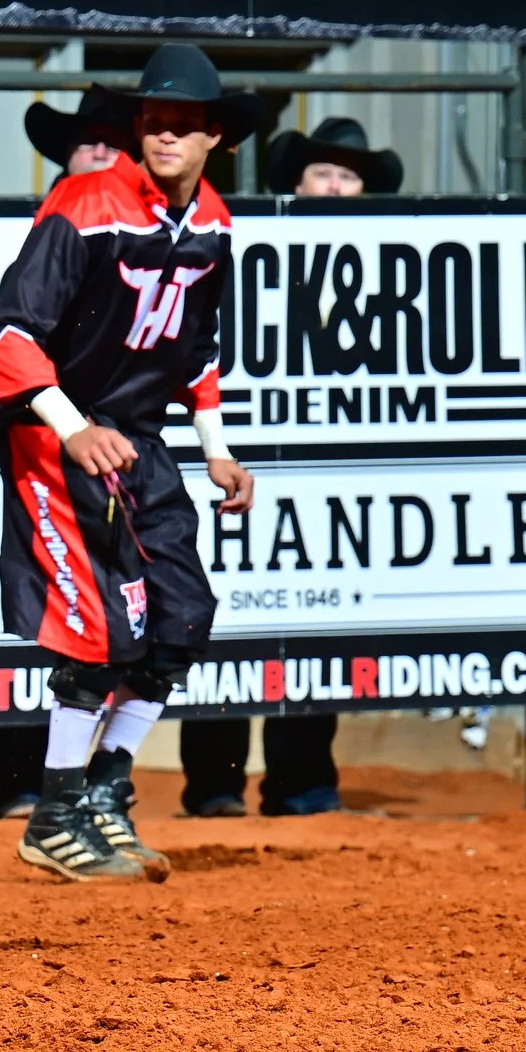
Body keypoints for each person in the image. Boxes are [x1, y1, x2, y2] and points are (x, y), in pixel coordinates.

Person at [0, 44, 266, 881]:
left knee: (182, 612)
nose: (165, 134)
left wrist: (217, 450)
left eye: (183, 123)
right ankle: (54, 812)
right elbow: (9, 338)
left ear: (215, 134)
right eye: (153, 121)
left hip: (137, 438)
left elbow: (197, 349)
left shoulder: (212, 222)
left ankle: (104, 790)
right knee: (100, 630)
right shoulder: (84, 203)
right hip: (55, 430)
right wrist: (72, 428)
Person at [178, 115, 403, 818]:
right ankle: (215, 783)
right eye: (323, 172)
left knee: (321, 618)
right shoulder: (233, 241)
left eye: (349, 175)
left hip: (332, 468)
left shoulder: (386, 260)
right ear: (296, 181)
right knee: (223, 611)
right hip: (232, 447)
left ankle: (303, 779)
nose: (335, 186)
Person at [0, 85, 139, 818]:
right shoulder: (33, 222)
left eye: (113, 137)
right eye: (86, 136)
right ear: (63, 154)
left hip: (103, 447)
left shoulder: (141, 235)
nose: (99, 146)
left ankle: (82, 784)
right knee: (23, 611)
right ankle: (16, 777)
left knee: (106, 612)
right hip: (19, 443)